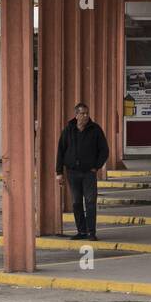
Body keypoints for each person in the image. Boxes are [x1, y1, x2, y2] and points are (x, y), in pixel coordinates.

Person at [54, 103, 110, 241]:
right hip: (72, 173)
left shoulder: (95, 130)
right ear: (76, 115)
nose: (85, 116)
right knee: (76, 203)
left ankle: (91, 232)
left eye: (87, 113)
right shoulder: (68, 129)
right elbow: (61, 150)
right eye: (82, 113)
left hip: (89, 173)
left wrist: (96, 166)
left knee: (90, 202)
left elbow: (104, 150)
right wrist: (59, 172)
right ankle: (81, 231)